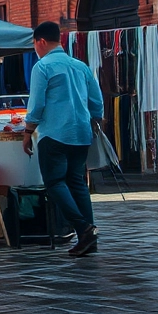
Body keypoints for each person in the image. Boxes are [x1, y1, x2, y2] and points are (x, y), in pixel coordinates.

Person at [25, 21, 105, 258]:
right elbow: (96, 100)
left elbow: (36, 104)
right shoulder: (80, 66)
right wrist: (95, 120)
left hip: (55, 133)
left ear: (41, 41)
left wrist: (28, 131)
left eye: (35, 45)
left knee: (54, 182)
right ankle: (87, 237)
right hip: (80, 133)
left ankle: (83, 228)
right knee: (77, 182)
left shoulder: (42, 67)